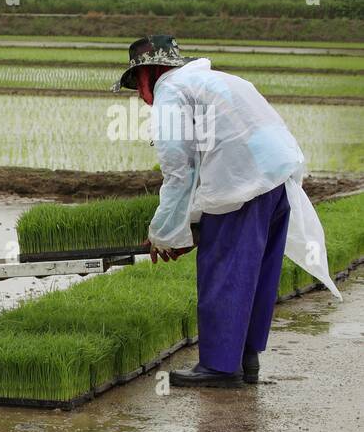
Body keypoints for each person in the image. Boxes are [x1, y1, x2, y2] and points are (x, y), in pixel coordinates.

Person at [115, 35, 339, 389]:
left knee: (225, 272)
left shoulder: (171, 92)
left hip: (241, 185)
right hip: (276, 181)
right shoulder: (219, 80)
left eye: (139, 86)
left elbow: (179, 170)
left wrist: (164, 233)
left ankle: (219, 368)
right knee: (257, 276)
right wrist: (189, 227)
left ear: (149, 74)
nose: (142, 97)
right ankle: (246, 360)